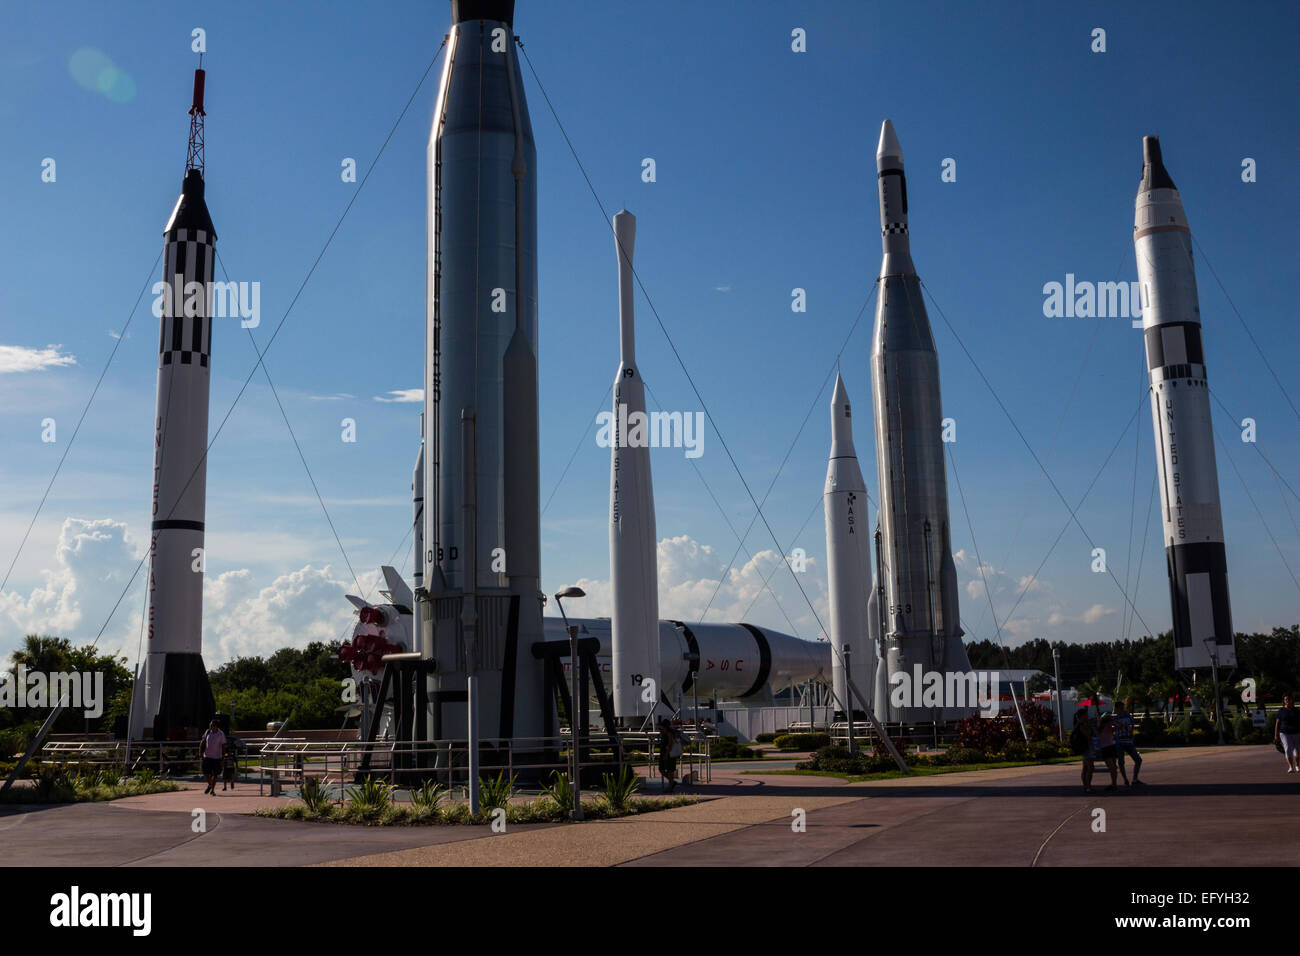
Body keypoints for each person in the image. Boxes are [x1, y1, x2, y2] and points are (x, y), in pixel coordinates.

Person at [1112, 699, 1143, 786]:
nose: (1122, 709)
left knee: (1138, 760)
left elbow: (1132, 723)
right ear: (1116, 709)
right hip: (1119, 742)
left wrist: (1132, 733)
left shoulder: (1128, 716)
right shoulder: (1115, 718)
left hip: (1128, 741)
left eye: (1122, 707)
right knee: (1121, 762)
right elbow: (1111, 728)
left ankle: (1135, 779)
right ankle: (1125, 780)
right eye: (1120, 708)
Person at [1071, 709, 1096, 793]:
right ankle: (1088, 786)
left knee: (1085, 768)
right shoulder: (1081, 725)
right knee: (1090, 768)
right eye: (1086, 715)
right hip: (1086, 748)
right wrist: (1090, 728)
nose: (1087, 716)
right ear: (1082, 716)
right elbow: (1088, 736)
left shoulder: (1081, 724)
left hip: (1086, 748)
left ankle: (1086, 786)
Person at [199, 720, 226, 796]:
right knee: (205, 772)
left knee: (215, 774)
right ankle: (210, 785)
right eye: (210, 726)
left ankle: (212, 790)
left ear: (217, 726)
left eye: (213, 726)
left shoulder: (221, 734)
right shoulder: (207, 732)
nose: (211, 727)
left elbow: (223, 746)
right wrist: (200, 752)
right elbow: (202, 742)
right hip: (207, 756)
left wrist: (223, 757)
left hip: (217, 757)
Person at [1274, 693, 1300, 773]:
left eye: (1289, 699)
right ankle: (1291, 767)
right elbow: (1277, 723)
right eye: (1285, 699)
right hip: (1285, 733)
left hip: (1296, 732)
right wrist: (1276, 735)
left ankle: (1297, 766)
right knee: (1288, 749)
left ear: (1292, 700)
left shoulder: (1297, 711)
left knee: (1297, 751)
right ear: (1284, 701)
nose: (1287, 701)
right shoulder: (1281, 711)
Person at [1095, 714, 1120, 792]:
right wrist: (1116, 721)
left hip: (1106, 748)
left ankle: (1114, 784)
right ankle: (1114, 784)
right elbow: (1121, 726)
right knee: (1113, 767)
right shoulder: (1109, 727)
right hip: (1110, 747)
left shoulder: (1100, 728)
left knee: (1112, 768)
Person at [657, 717, 681, 793]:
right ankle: (672, 782)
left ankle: (670, 786)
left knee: (670, 770)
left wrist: (666, 754)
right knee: (662, 769)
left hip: (668, 754)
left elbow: (670, 744)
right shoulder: (663, 733)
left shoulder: (669, 733)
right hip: (663, 752)